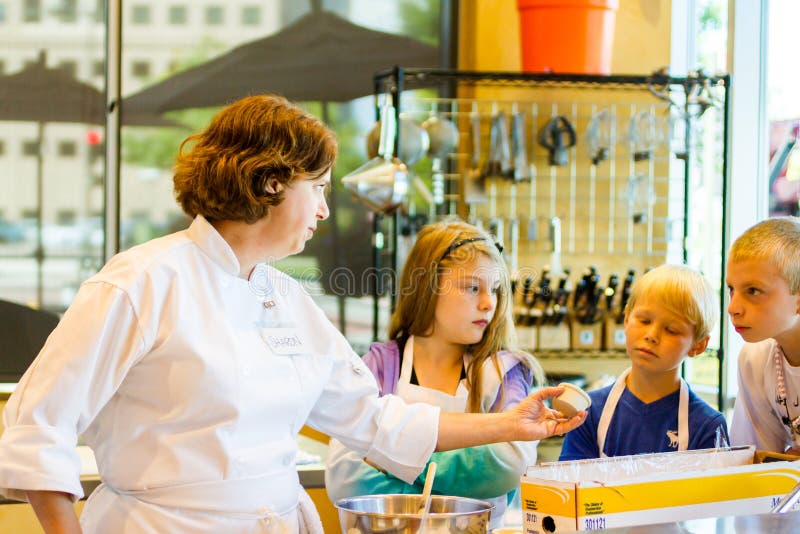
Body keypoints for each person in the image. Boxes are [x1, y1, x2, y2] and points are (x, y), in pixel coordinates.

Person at [0, 94, 586, 534]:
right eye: (319, 187)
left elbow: (375, 420)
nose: (325, 210)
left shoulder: (285, 297)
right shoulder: (139, 282)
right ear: (270, 182)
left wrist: (512, 425)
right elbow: (37, 427)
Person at [325, 219, 545, 529]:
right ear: (427, 287)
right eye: (472, 288)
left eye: (495, 290)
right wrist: (461, 488)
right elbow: (345, 478)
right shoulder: (380, 365)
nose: (488, 303)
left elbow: (507, 465)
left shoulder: (504, 373)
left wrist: (387, 458)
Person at [559, 264, 728, 460]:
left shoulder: (707, 426)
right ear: (626, 319)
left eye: (671, 330)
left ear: (698, 345)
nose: (651, 335)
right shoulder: (588, 413)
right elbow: (571, 479)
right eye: (644, 321)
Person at [728, 217, 800, 454]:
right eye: (731, 289)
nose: (733, 308)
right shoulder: (755, 359)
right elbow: (756, 460)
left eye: (753, 291)